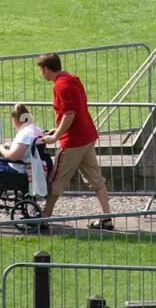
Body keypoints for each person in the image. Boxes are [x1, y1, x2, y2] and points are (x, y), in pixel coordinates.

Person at [37, 53, 113, 229]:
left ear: (47, 70)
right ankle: (107, 217)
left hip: (73, 142)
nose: (42, 74)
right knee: (96, 180)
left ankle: (43, 218)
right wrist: (59, 128)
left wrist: (55, 137)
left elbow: (69, 115)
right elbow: (74, 112)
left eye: (41, 71)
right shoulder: (71, 78)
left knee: (57, 179)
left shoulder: (61, 85)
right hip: (87, 136)